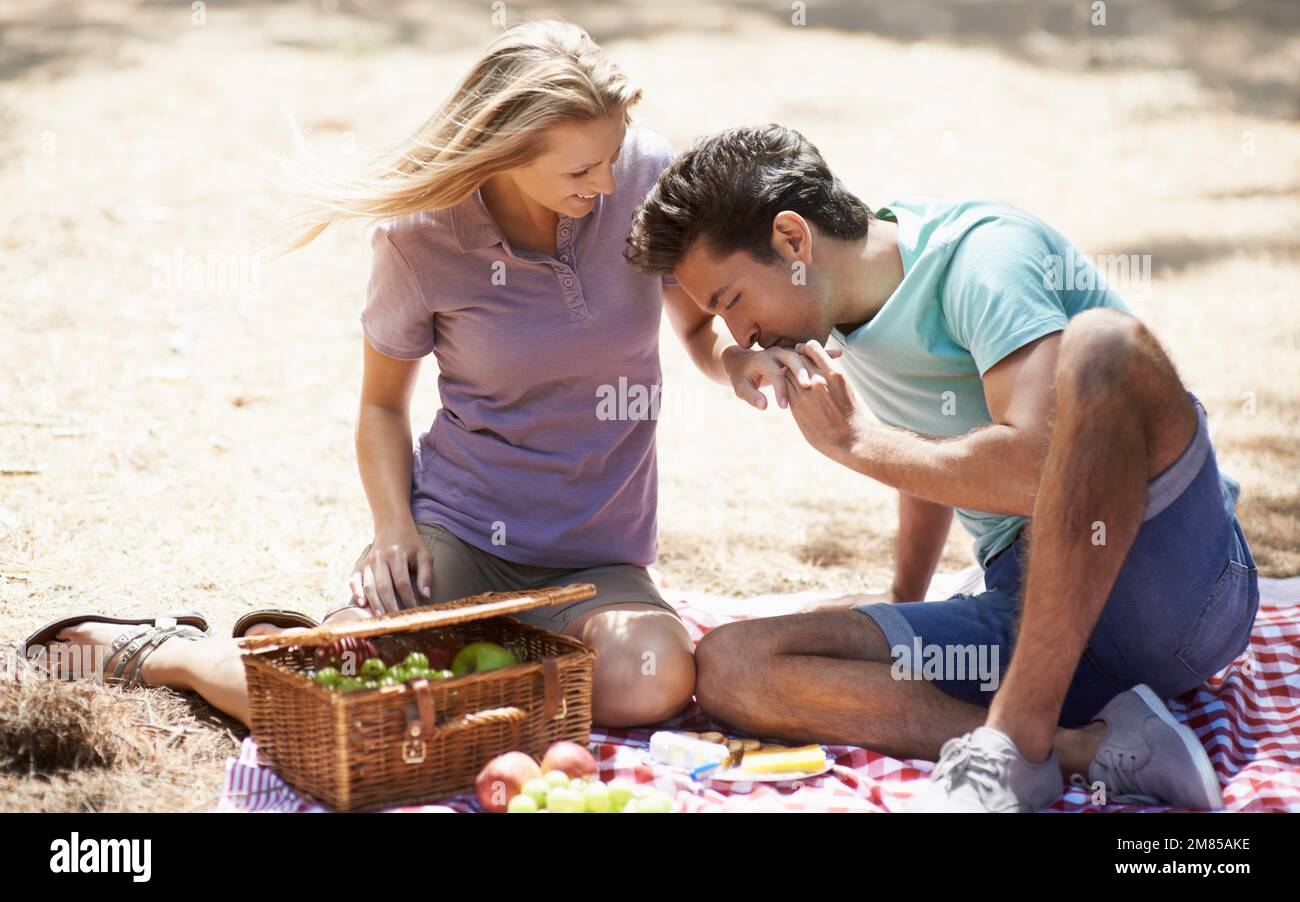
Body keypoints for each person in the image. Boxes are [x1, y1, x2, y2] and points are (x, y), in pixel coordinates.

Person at [21, 21, 745, 730]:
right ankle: (174, 653)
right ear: (504, 152)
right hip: (464, 536)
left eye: (612, 155)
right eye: (581, 170)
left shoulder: (645, 176)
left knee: (652, 685)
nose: (608, 181)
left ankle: (452, 697)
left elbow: (695, 325)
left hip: (598, 558)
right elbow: (381, 409)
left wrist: (741, 361)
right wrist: (394, 527)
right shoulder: (421, 238)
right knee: (339, 686)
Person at [623, 124, 1259, 811]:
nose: (743, 335)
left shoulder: (984, 258)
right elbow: (931, 444)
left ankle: (1015, 742)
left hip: (1170, 581)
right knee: (730, 667)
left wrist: (856, 444)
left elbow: (1037, 474)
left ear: (792, 240)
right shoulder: (840, 308)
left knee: (1102, 347)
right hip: (1038, 621)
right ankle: (1086, 747)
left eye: (732, 302)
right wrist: (904, 596)